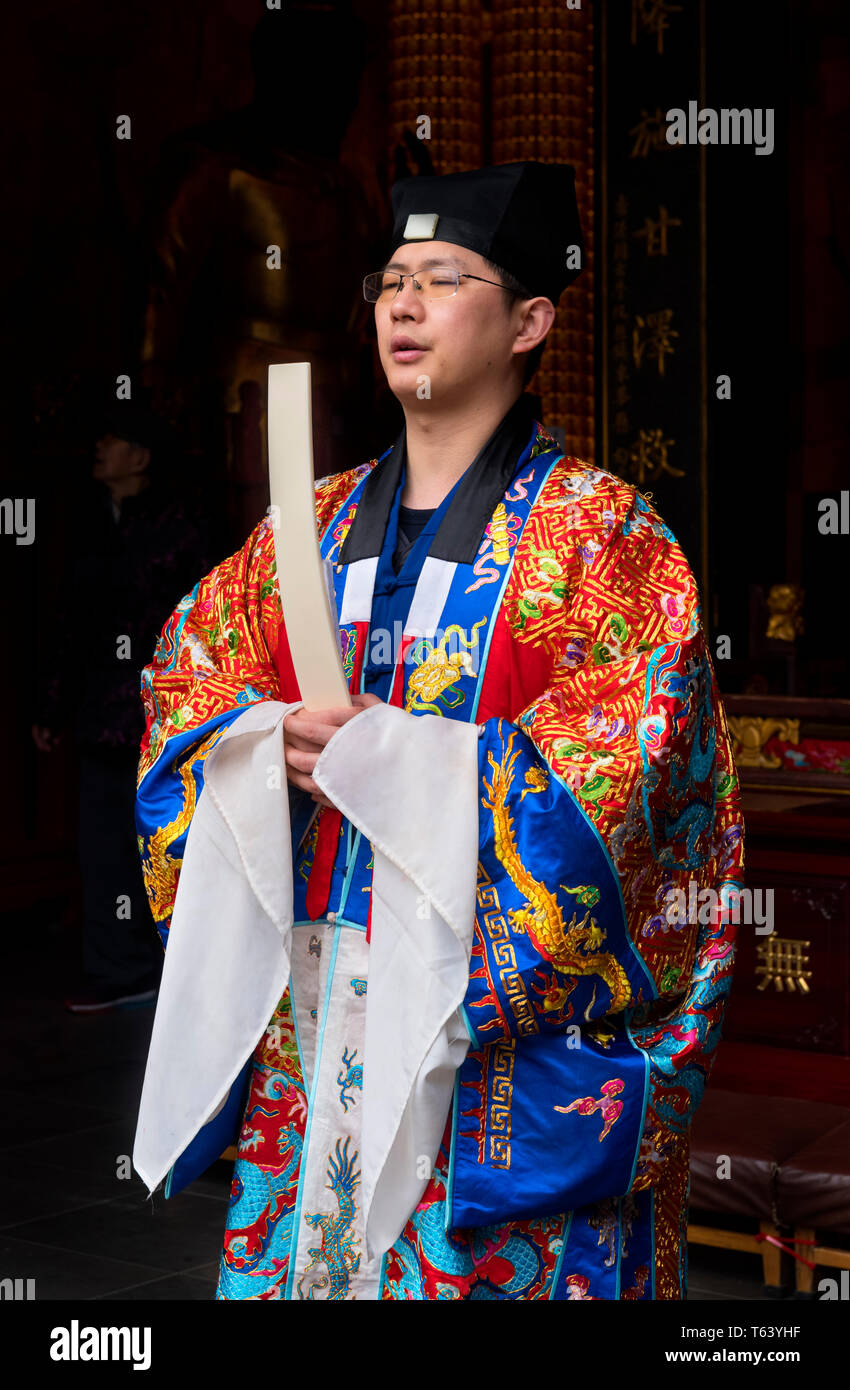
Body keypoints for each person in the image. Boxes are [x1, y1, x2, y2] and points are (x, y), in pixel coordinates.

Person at [132, 162, 745, 1300]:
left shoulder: (601, 537)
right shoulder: (301, 531)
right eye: (390, 281)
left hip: (490, 1033)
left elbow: (637, 770)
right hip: (318, 1024)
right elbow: (185, 675)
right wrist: (259, 746)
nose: (402, 304)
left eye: (443, 279)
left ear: (528, 322)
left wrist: (394, 759)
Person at [33, 402, 214, 1011]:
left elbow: (194, 623)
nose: (99, 448)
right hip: (99, 715)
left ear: (140, 458)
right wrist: (52, 705)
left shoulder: (177, 529)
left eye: (112, 440)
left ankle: (169, 969)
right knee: (103, 844)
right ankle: (122, 971)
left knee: (166, 838)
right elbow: (70, 624)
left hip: (160, 713)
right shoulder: (91, 526)